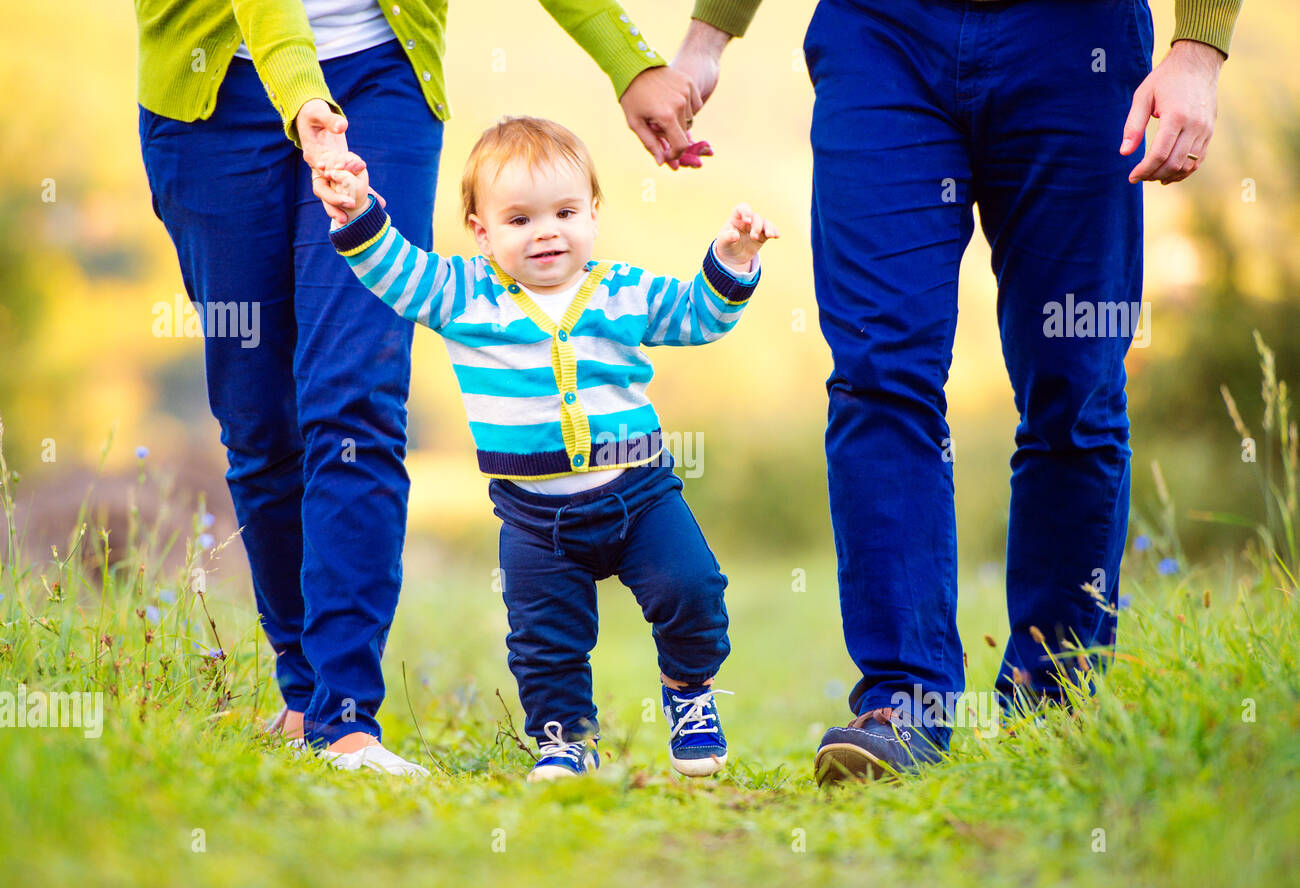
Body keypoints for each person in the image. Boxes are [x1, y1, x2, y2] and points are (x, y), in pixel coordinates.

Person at [135, 0, 736, 775]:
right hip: (212, 88)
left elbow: (691, 311)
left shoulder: (607, 287)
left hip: (379, 73)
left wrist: (629, 62)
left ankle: (346, 721)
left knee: (353, 401)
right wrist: (302, 99)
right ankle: (304, 683)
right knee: (259, 417)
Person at [665, 0, 1243, 782]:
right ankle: (906, 702)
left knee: (1075, 385)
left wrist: (1200, 47)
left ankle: (1055, 705)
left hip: (1076, 41)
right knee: (877, 372)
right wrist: (709, 38)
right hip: (882, 35)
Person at [315, 116, 776, 779]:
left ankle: (690, 691)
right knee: (544, 642)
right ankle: (565, 743)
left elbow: (699, 318)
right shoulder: (463, 295)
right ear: (482, 232)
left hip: (640, 496)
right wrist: (357, 213)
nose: (547, 231)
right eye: (520, 219)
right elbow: (396, 273)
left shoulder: (623, 290)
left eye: (565, 211)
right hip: (535, 519)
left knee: (693, 588)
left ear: (593, 213)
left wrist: (732, 260)